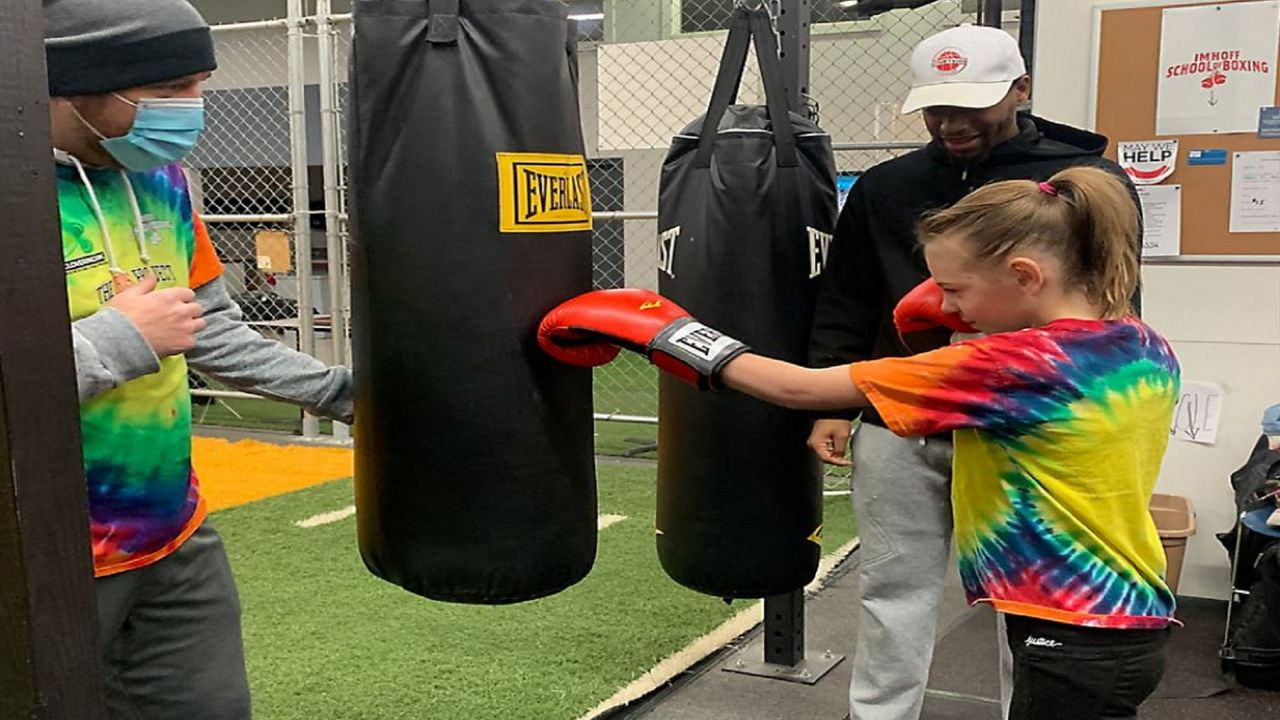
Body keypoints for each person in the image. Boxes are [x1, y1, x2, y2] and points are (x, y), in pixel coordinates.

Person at [539, 164, 1177, 720]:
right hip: (1127, 615)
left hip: (1070, 632)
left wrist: (668, 330)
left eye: (955, 291)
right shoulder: (1139, 346)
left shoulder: (1011, 366)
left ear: (1024, 275)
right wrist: (968, 309)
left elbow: (797, 389)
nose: (946, 305)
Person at [804, 24, 1141, 719]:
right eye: (937, 107)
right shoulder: (888, 185)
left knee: (1031, 597)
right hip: (906, 408)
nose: (951, 123)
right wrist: (831, 403)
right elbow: (849, 293)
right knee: (892, 584)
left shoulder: (1081, 183)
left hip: (1027, 422)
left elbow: (1112, 299)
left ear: (1020, 89)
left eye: (972, 105)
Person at [44, 0, 353, 717]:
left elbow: (208, 329)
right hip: (47, 556)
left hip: (172, 531)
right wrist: (119, 340)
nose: (193, 109)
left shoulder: (162, 179)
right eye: (172, 90)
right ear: (77, 87)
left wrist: (343, 391)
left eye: (200, 85)